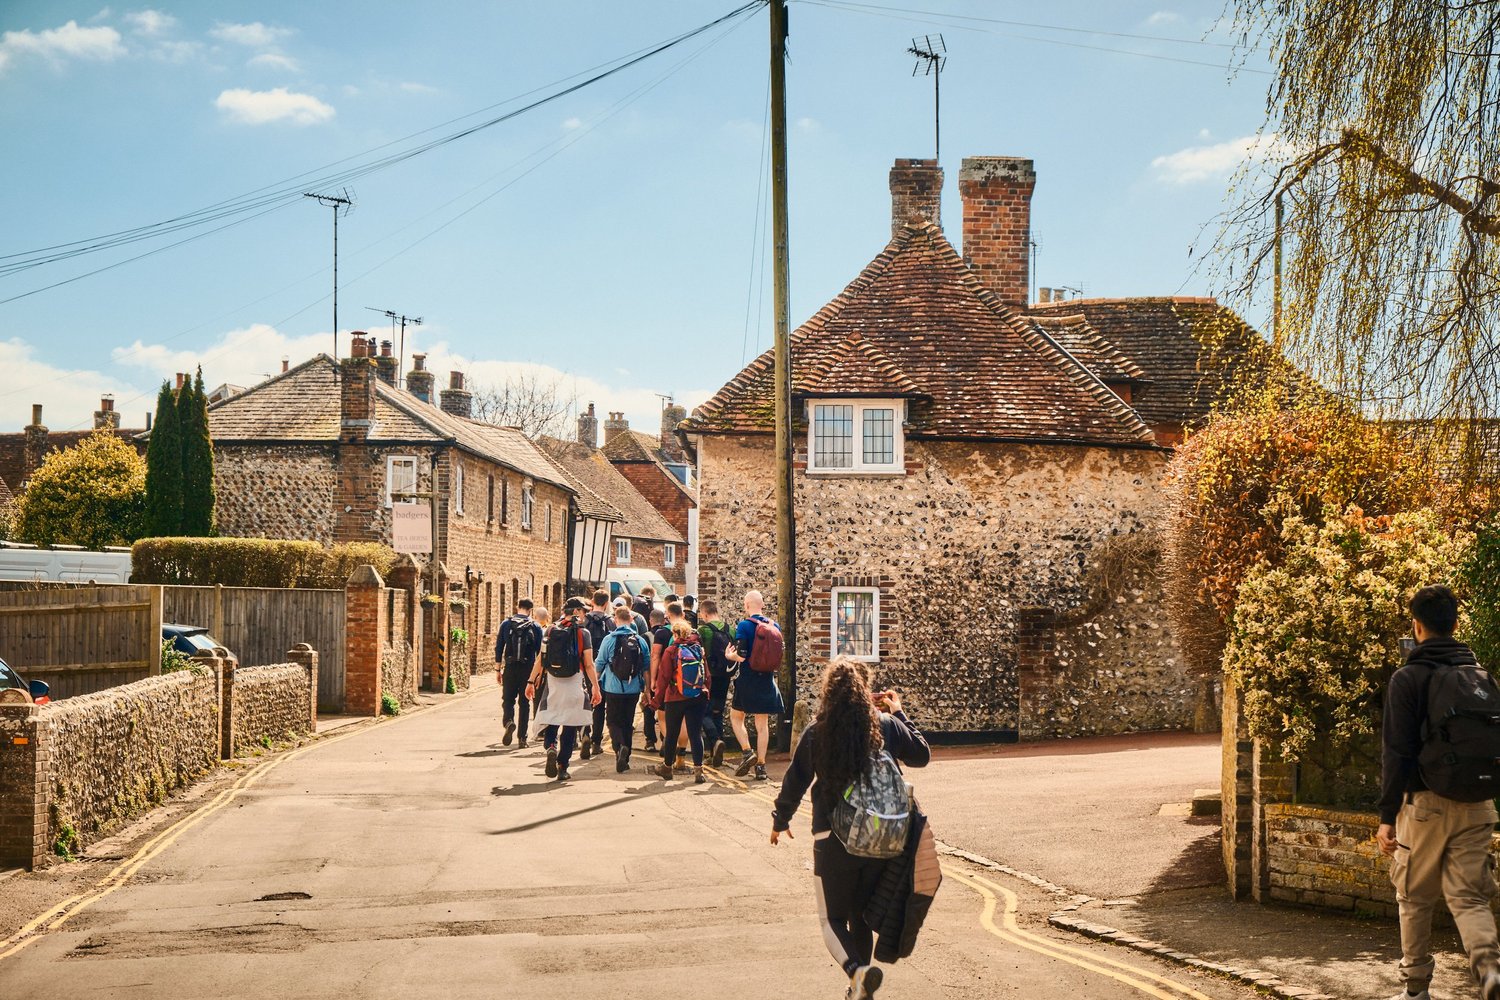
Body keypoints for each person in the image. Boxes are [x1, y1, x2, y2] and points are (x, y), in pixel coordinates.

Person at [772, 658, 930, 1000]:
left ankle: (857, 972)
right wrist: (898, 712)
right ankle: (859, 989)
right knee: (860, 917)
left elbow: (796, 780)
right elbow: (921, 755)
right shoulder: (885, 725)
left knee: (832, 920)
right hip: (882, 837)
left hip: (832, 839)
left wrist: (780, 820)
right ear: (864, 691)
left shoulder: (818, 731)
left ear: (829, 692)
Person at [1377, 585, 1500, 1000]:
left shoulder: (1408, 678)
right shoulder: (1480, 676)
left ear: (1417, 625)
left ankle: (1415, 991)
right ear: (1456, 624)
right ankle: (1489, 968)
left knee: (1413, 897)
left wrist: (1386, 816)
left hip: (1426, 806)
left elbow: (1397, 752)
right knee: (1469, 897)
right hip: (1479, 805)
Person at [526, 598, 602, 782]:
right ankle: (562, 766)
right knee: (570, 725)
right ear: (576, 611)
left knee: (552, 718)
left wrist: (530, 681)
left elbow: (540, 660)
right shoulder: (583, 633)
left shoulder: (550, 630)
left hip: (553, 682)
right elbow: (589, 665)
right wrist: (596, 688)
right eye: (583, 611)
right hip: (575, 682)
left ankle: (551, 746)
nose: (584, 614)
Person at [726, 590, 784, 781]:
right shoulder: (773, 625)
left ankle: (746, 751)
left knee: (736, 717)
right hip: (767, 679)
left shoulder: (744, 625)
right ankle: (761, 767)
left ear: (746, 605)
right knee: (762, 724)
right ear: (762, 605)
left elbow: (741, 655)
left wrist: (729, 656)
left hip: (748, 679)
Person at [594, 602, 651, 772]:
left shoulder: (609, 639)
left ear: (616, 619)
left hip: (612, 687)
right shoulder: (641, 640)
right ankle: (625, 756)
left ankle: (619, 747)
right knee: (628, 721)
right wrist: (647, 690)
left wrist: (594, 685)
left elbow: (600, 664)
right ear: (631, 619)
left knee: (612, 721)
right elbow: (646, 668)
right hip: (633, 688)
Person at [651, 620, 709, 784]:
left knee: (671, 734)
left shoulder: (671, 651)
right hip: (697, 697)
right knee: (695, 734)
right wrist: (705, 692)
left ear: (675, 634)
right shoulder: (699, 650)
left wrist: (656, 701)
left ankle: (667, 768)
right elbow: (707, 675)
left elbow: (663, 679)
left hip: (675, 697)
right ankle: (699, 771)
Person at [495, 598, 542, 749]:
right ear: (531, 610)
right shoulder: (535, 626)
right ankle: (522, 738)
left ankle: (509, 721)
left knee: (508, 699)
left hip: (510, 667)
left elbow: (499, 647)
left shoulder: (506, 624)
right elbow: (540, 652)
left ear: (518, 606)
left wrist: (497, 669)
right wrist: (538, 674)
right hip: (528, 669)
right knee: (525, 702)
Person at [697, 599, 734, 767]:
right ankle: (715, 755)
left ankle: (715, 740)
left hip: (709, 677)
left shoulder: (703, 631)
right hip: (725, 676)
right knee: (718, 711)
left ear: (704, 613)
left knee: (703, 712)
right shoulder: (730, 630)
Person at [583, 589, 615, 758]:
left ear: (592, 601)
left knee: (585, 701)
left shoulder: (584, 621)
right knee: (600, 705)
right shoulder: (611, 623)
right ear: (606, 603)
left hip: (585, 667)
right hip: (605, 670)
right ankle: (596, 741)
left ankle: (585, 733)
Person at [642, 607, 667, 753]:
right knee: (664, 710)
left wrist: (646, 684)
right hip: (666, 678)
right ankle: (665, 738)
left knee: (648, 709)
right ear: (664, 620)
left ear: (650, 621)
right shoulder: (668, 633)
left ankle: (650, 740)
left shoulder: (645, 636)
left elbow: (645, 660)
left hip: (651, 677)